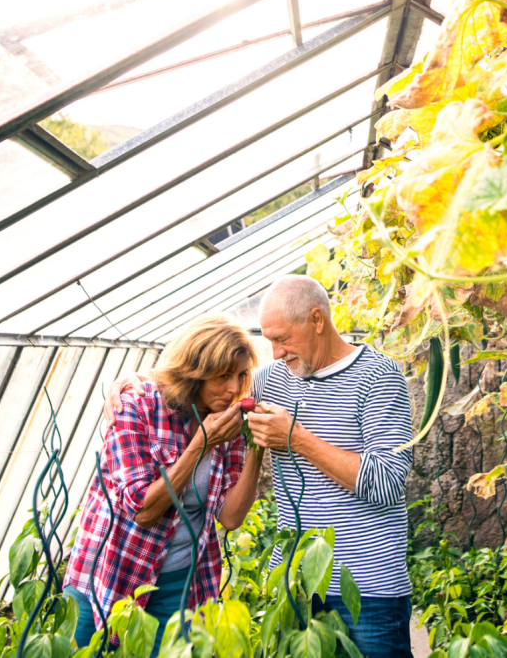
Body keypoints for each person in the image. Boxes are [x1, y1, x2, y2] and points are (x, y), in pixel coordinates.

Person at [107, 275, 414, 658]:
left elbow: (386, 483)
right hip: (297, 582)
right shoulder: (270, 381)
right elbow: (197, 377)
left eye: (282, 338)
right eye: (268, 340)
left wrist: (296, 438)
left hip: (369, 588)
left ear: (317, 320)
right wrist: (134, 381)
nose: (275, 352)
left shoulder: (379, 377)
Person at [65, 315, 263, 658]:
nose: (234, 389)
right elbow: (143, 511)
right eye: (222, 376)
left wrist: (257, 448)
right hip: (112, 576)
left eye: (241, 375)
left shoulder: (226, 421)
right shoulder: (136, 408)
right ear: (194, 372)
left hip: (183, 584)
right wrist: (199, 445)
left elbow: (230, 518)